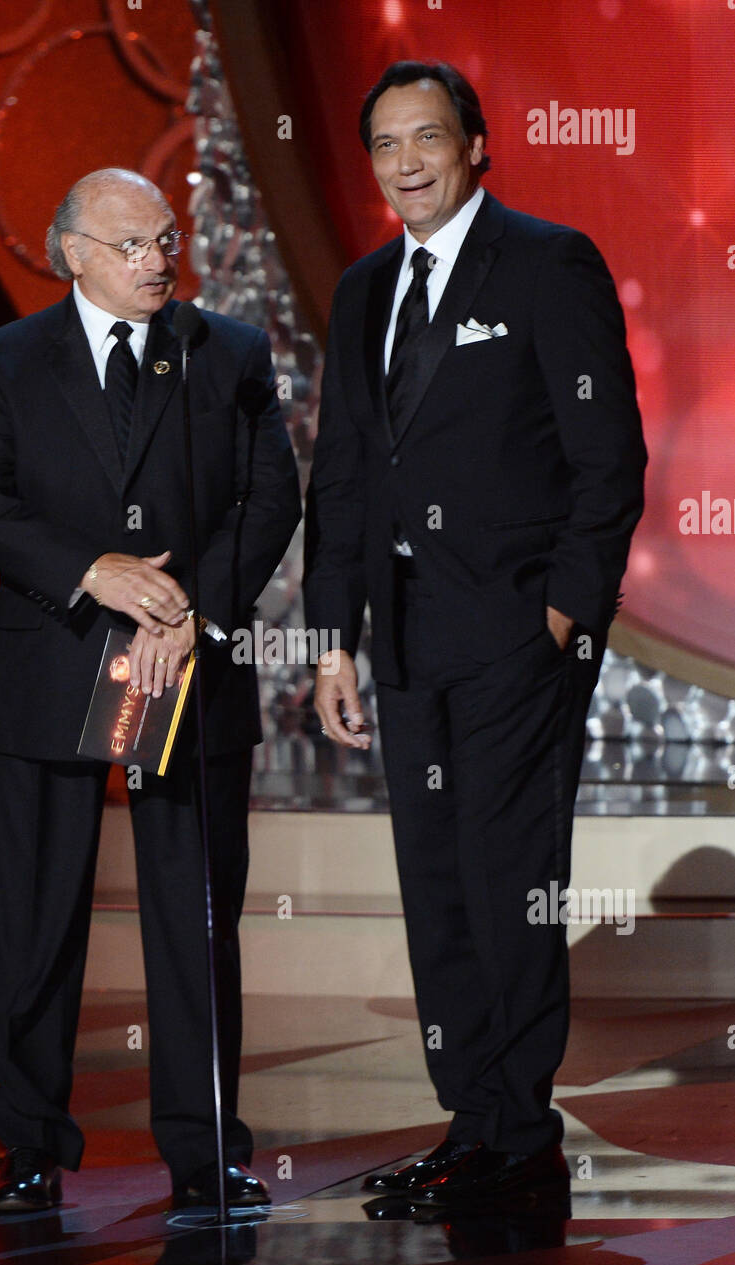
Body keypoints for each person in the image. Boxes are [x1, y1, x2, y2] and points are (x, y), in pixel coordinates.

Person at [304, 62, 646, 1205]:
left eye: (428, 139)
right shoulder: (361, 292)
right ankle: (474, 1118)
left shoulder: (550, 263)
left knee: (509, 878)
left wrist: (565, 611)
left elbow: (611, 461)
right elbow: (343, 475)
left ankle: (519, 1126)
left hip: (515, 635)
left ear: (477, 144)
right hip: (399, 640)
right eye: (387, 145)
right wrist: (331, 640)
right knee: (438, 883)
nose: (408, 163)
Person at [0, 167, 301, 1212]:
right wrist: (93, 571)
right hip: (58, 658)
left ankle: (205, 1150)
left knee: (195, 916)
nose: (159, 261)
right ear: (72, 253)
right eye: (133, 245)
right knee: (35, 915)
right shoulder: (3, 360)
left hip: (187, 663)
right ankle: (27, 1144)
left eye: (167, 240)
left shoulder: (225, 350)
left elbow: (269, 494)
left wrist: (192, 609)